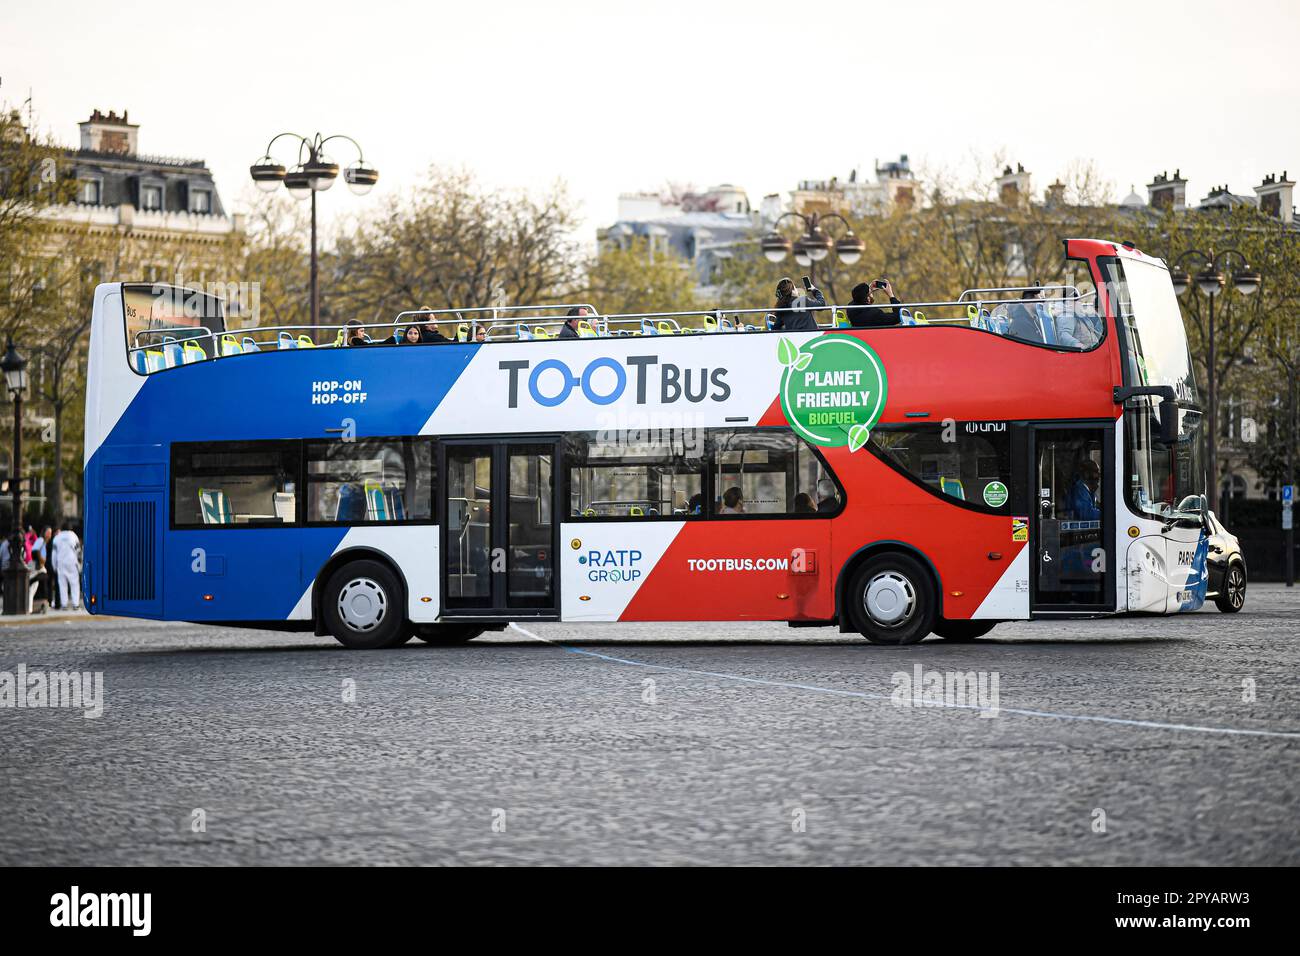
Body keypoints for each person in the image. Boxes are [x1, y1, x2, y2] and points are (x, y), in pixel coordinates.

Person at [52, 524, 81, 611]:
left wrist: (54, 566)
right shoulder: (73, 536)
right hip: (72, 562)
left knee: (62, 584)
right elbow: (78, 551)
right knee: (74, 584)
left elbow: (54, 554)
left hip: (61, 563)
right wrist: (79, 564)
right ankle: (75, 604)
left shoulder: (57, 538)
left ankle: (64, 604)